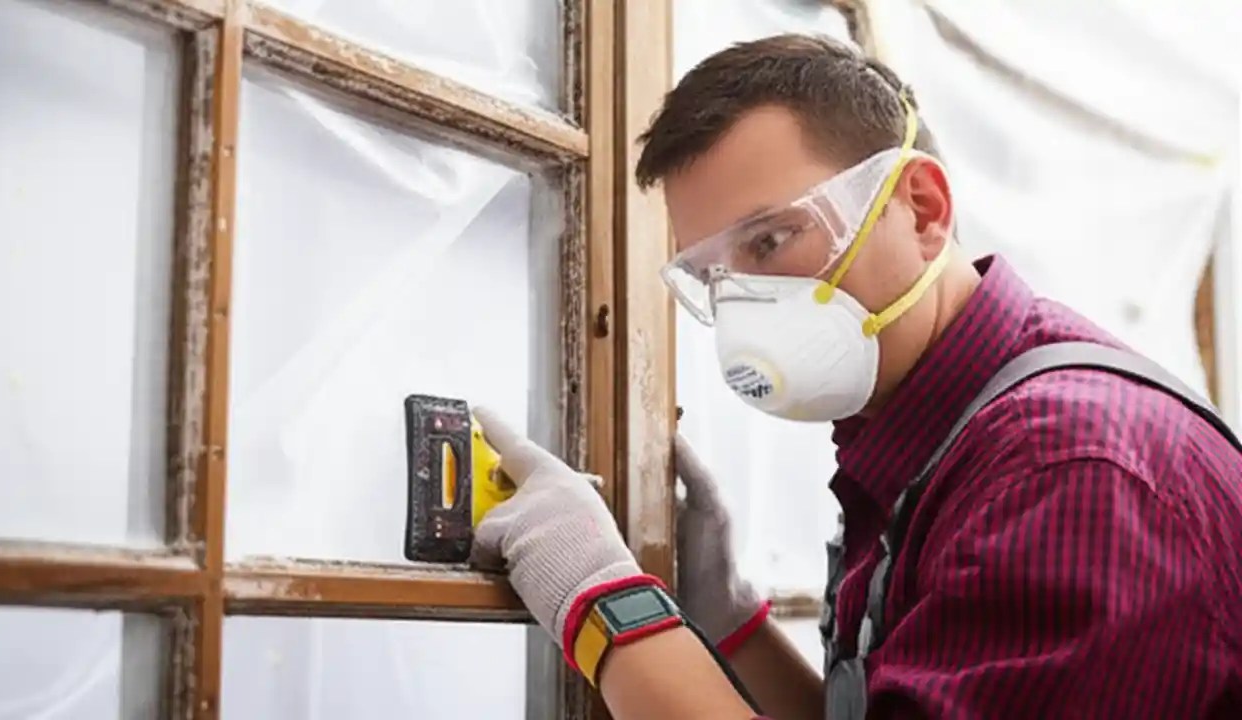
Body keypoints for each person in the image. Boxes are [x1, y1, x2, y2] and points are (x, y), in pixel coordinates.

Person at [468, 33, 1242, 719]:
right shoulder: (946, 441)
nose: (746, 307)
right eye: (713, 278)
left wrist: (602, 604)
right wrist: (731, 627)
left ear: (923, 207)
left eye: (771, 241)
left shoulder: (1068, 473)